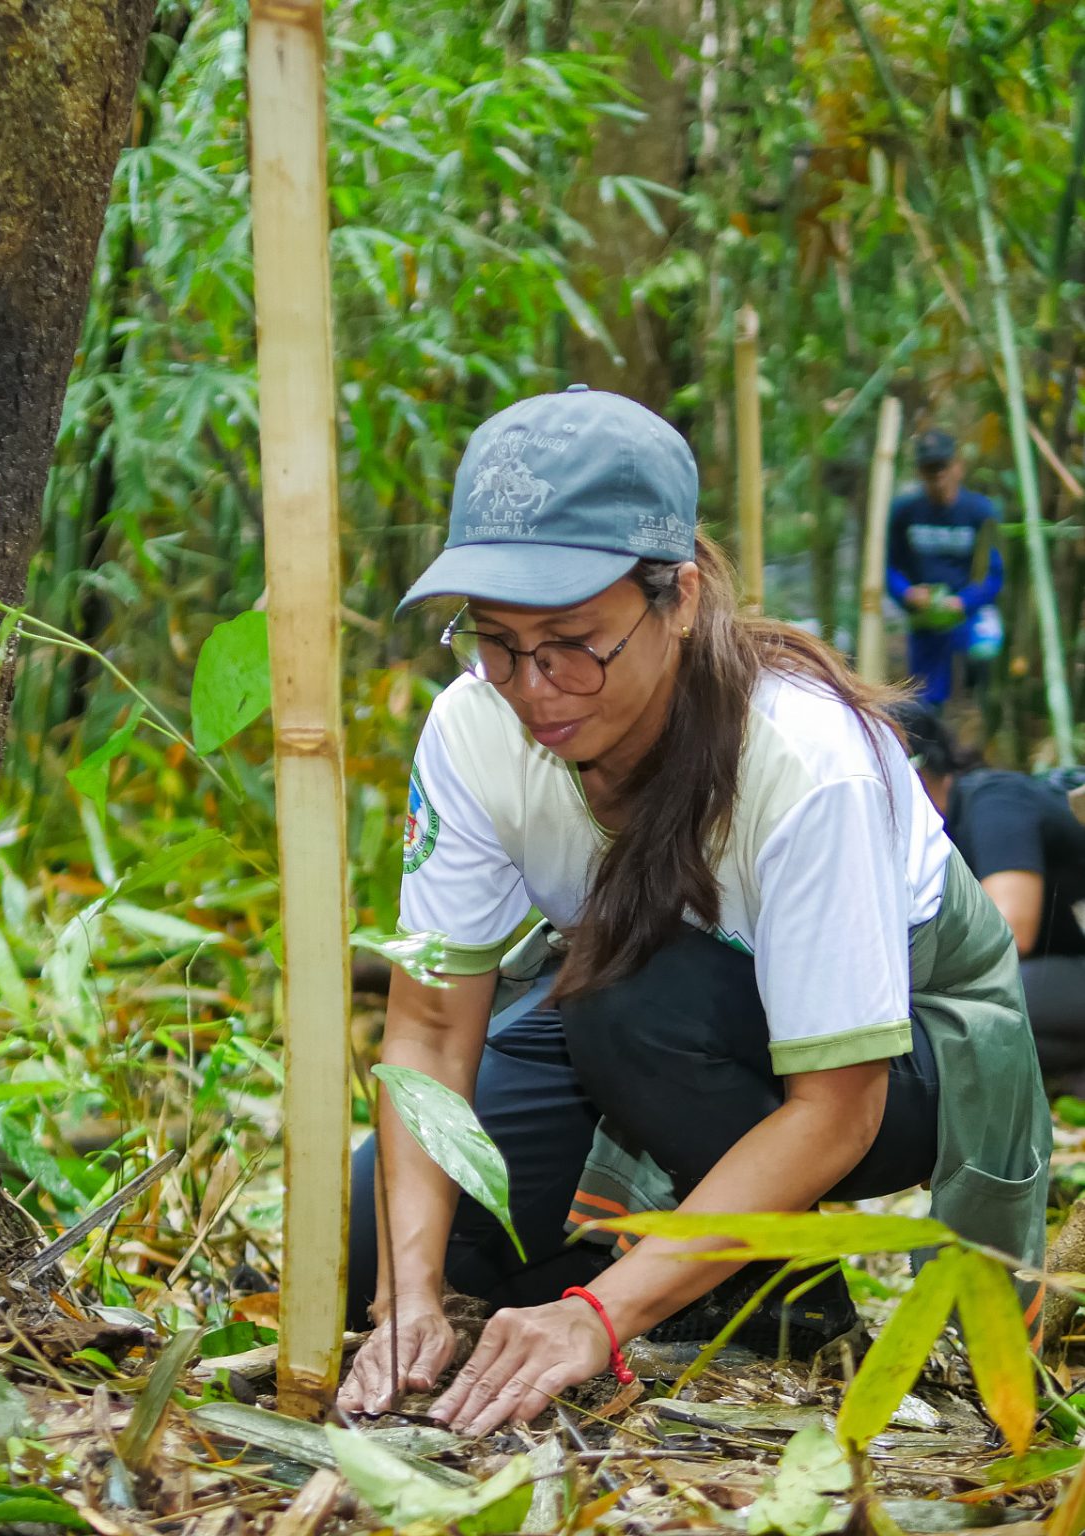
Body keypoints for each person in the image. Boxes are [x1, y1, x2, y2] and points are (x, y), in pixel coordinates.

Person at [338, 387, 1050, 1437]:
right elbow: (434, 1028)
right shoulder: (470, 725)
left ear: (676, 597)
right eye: (494, 641)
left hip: (902, 1058)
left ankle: (779, 1305)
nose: (534, 688)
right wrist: (407, 1293)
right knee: (382, 1230)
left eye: (574, 641)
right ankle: (661, 1247)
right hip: (640, 1029)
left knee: (630, 1002)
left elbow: (835, 1108)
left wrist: (594, 1319)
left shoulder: (804, 759)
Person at [897, 705, 1085, 1089]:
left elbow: (1009, 934)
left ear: (919, 770)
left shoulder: (995, 801)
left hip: (1064, 967)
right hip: (1055, 973)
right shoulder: (923, 841)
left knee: (951, 1014)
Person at [886, 429, 1003, 708]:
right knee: (925, 699)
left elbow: (995, 575)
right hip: (924, 621)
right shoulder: (904, 513)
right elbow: (888, 568)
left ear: (957, 467)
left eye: (942, 466)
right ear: (919, 472)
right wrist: (907, 594)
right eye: (929, 468)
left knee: (982, 667)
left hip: (970, 617)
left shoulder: (981, 513)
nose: (937, 475)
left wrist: (964, 602)